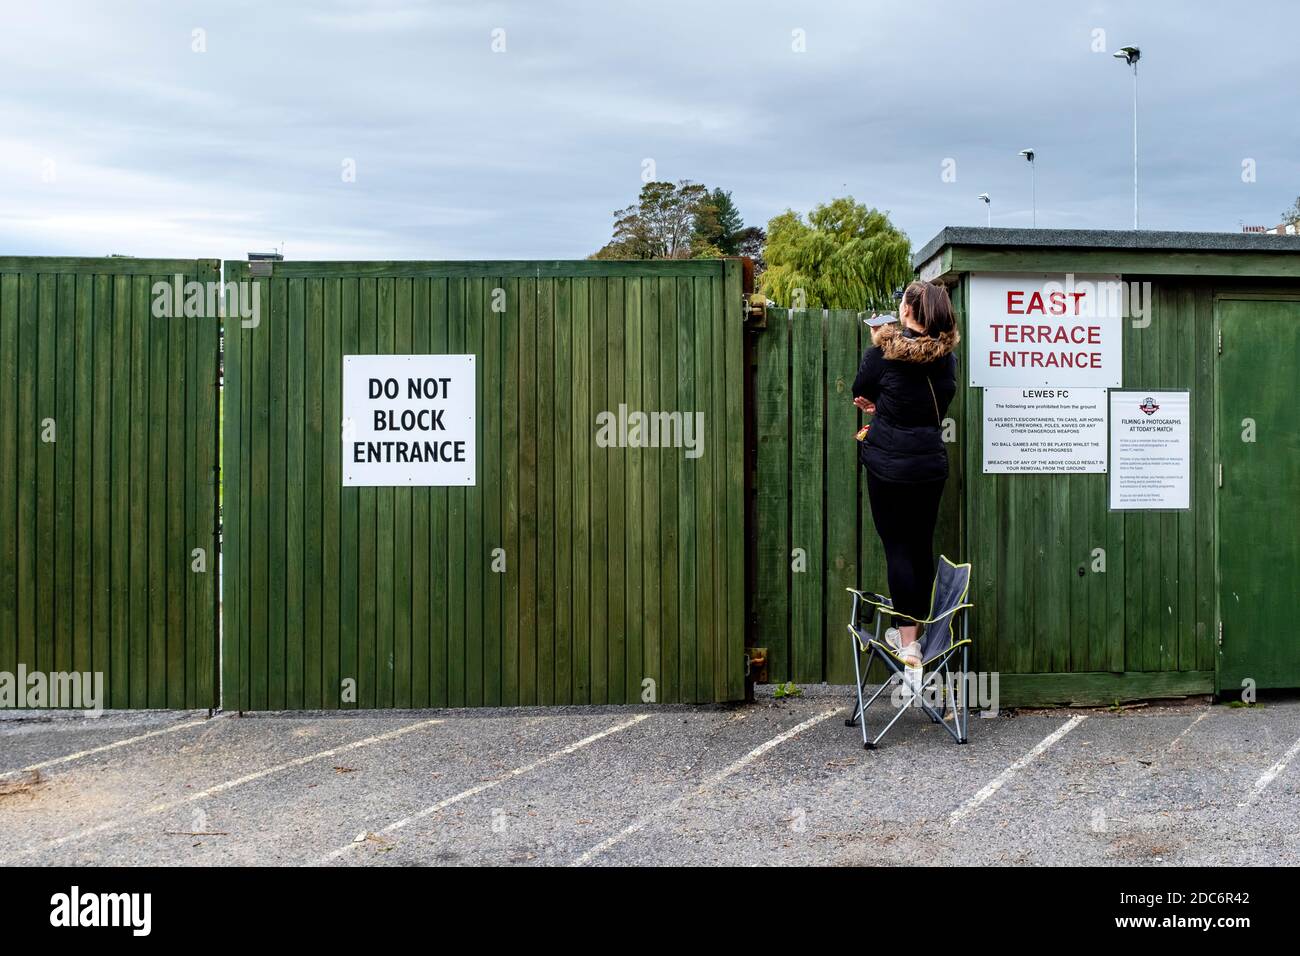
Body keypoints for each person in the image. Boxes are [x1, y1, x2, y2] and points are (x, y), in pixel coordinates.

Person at [852, 280, 959, 668]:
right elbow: (934, 404)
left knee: (897, 547)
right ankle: (921, 633)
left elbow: (860, 389)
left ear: (909, 311)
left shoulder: (881, 354)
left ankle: (909, 644)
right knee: (920, 545)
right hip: (929, 464)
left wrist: (881, 404)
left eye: (902, 303)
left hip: (889, 465)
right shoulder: (947, 358)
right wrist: (889, 408)